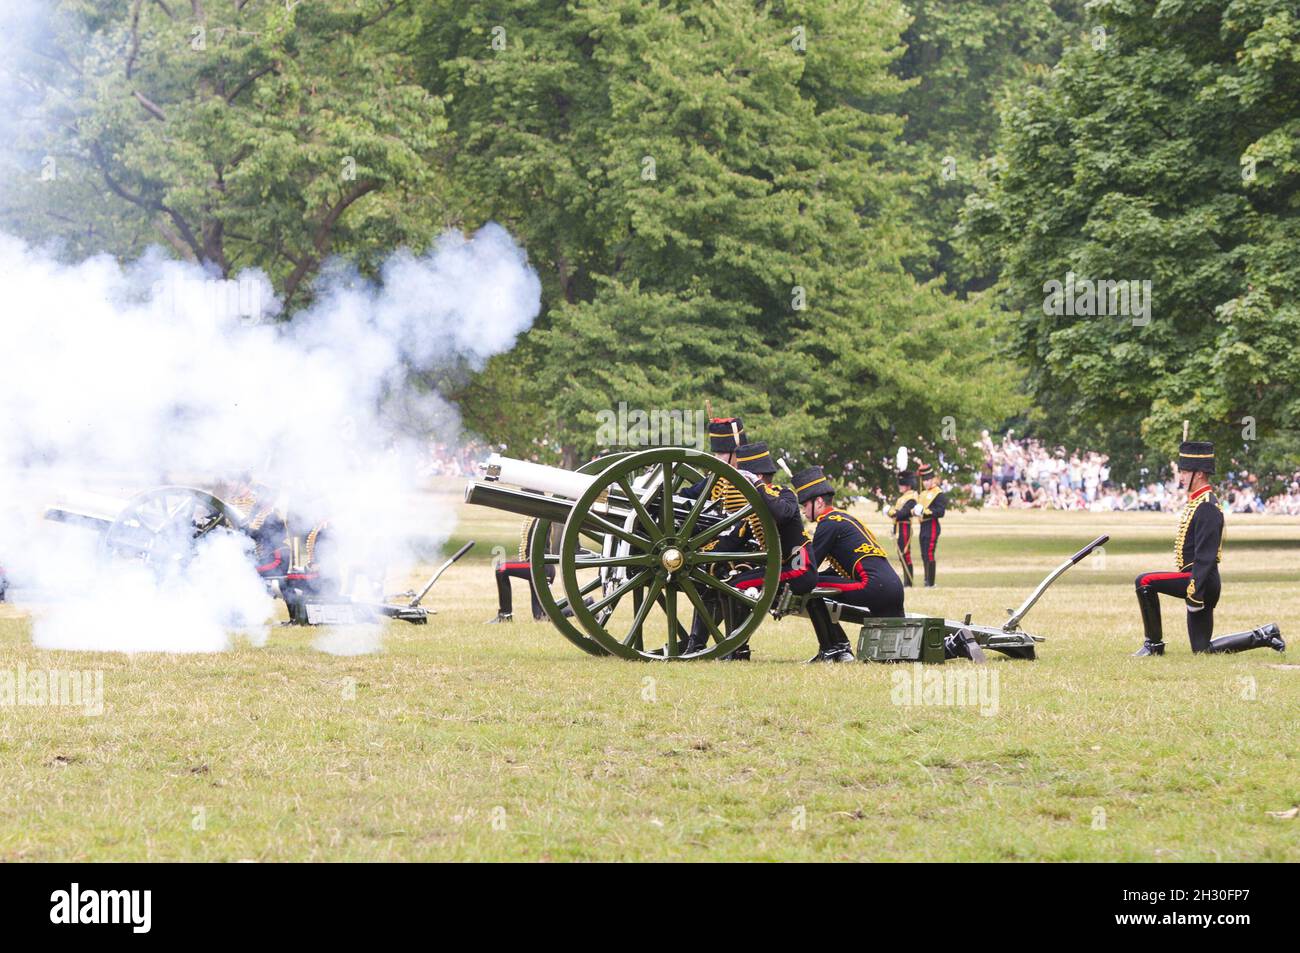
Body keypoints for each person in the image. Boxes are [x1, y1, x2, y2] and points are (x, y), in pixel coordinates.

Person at [1133, 440, 1284, 656]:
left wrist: (1195, 590)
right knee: (1202, 650)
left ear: (1200, 474)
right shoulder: (1199, 502)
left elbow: (1206, 556)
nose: (1181, 477)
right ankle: (1264, 635)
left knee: (1144, 581)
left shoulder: (1206, 506)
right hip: (1198, 579)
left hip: (1200, 579)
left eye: (1185, 472)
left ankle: (1153, 645)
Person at [703, 442, 845, 662]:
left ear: (757, 475)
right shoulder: (754, 509)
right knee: (731, 583)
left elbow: (781, 514)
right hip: (785, 569)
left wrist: (757, 485)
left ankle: (736, 649)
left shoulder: (784, 494)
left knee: (735, 586)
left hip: (800, 568)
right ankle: (737, 648)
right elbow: (731, 542)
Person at [487, 517, 552, 623]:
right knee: (540, 616)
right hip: (537, 565)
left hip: (540, 566)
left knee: (501, 568)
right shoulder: (536, 518)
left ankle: (505, 615)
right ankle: (586, 604)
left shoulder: (542, 518)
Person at [916, 462, 947, 587]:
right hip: (923, 525)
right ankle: (926, 579)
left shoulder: (938, 493)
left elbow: (940, 512)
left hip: (932, 525)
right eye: (924, 480)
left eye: (928, 480)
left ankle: (931, 582)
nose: (926, 482)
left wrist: (926, 512)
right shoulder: (922, 494)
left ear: (933, 480)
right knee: (923, 553)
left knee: (929, 553)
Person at [886, 473, 918, 587]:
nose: (900, 486)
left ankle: (908, 582)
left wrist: (891, 512)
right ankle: (907, 581)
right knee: (901, 555)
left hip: (904, 527)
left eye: (902, 484)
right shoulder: (903, 498)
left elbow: (903, 513)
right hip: (899, 527)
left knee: (905, 554)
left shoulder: (911, 498)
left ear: (908, 485)